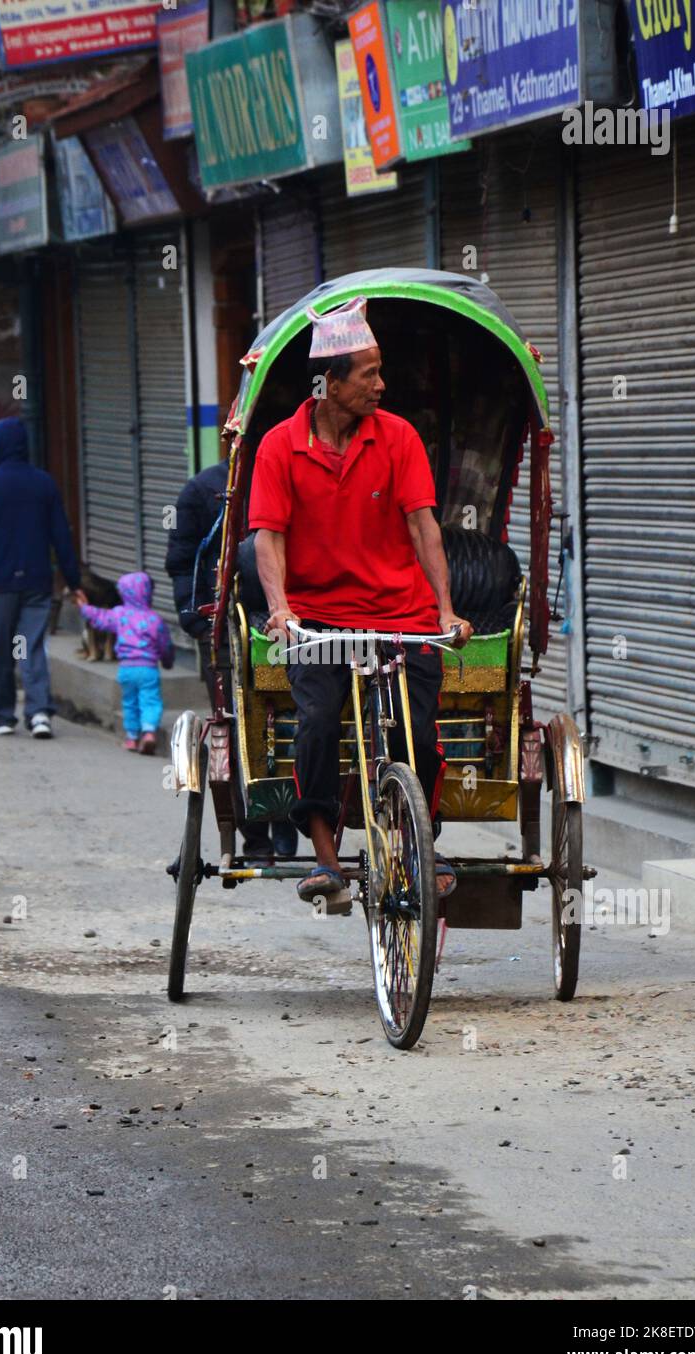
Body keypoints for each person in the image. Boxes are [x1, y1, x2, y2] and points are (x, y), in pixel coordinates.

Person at [248, 298, 473, 909]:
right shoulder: (277, 447)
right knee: (318, 723)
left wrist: (445, 610)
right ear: (329, 383)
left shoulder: (397, 437)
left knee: (417, 735)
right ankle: (325, 859)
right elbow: (268, 536)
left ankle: (418, 841)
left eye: (380, 370)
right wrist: (280, 608)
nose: (381, 384)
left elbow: (426, 529)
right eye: (368, 374)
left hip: (401, 614)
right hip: (318, 620)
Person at [166, 460, 298, 862]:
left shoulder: (294, 476)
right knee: (241, 730)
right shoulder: (205, 489)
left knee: (292, 725)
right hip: (224, 630)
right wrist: (195, 617)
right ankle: (256, 838)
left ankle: (288, 824)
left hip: (292, 626)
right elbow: (183, 557)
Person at [0, 416, 84, 739]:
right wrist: (74, 582)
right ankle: (40, 714)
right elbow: (61, 535)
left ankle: (1, 717)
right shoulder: (43, 483)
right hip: (37, 581)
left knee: (0, 648)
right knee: (33, 647)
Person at [75, 573, 174, 754]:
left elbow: (100, 617)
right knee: (150, 700)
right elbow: (165, 644)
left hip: (126, 669)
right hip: (148, 669)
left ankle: (132, 738)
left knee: (129, 702)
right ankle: (149, 732)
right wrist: (167, 661)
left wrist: (84, 607)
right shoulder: (154, 620)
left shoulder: (120, 614)